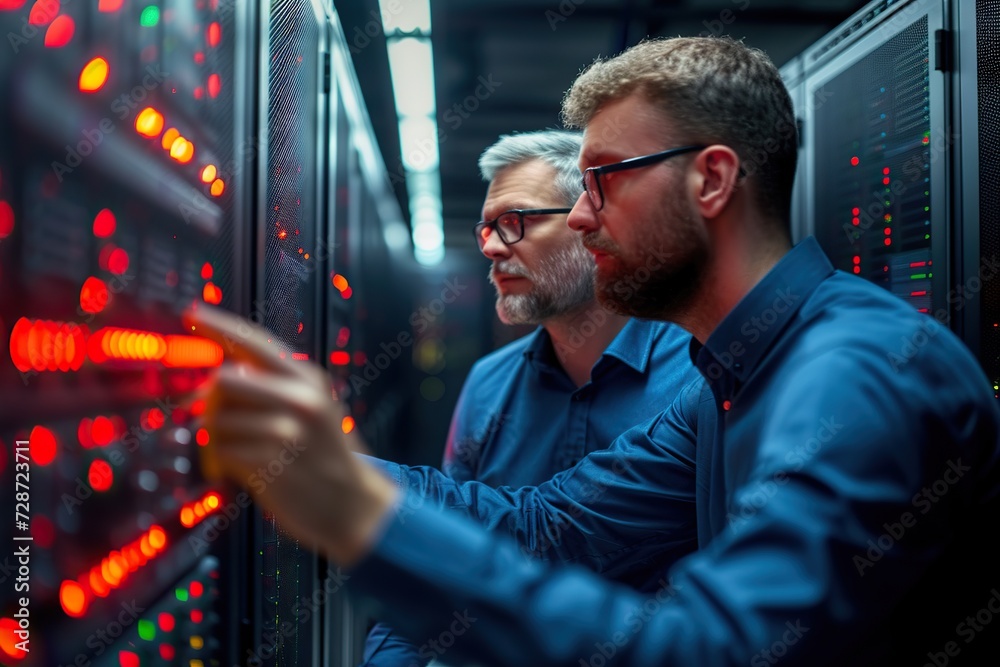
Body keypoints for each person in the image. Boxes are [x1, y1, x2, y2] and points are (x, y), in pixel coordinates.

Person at [190, 36, 1000, 666]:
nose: (579, 217)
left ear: (711, 181)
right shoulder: (726, 376)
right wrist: (330, 464)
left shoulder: (853, 373)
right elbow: (547, 523)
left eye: (604, 178)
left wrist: (359, 517)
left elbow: (715, 650)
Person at [360, 130, 697, 666]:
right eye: (487, 229)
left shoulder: (697, 375)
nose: (492, 247)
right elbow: (441, 558)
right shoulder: (488, 384)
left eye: (516, 221)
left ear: (592, 221)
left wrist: (337, 476)